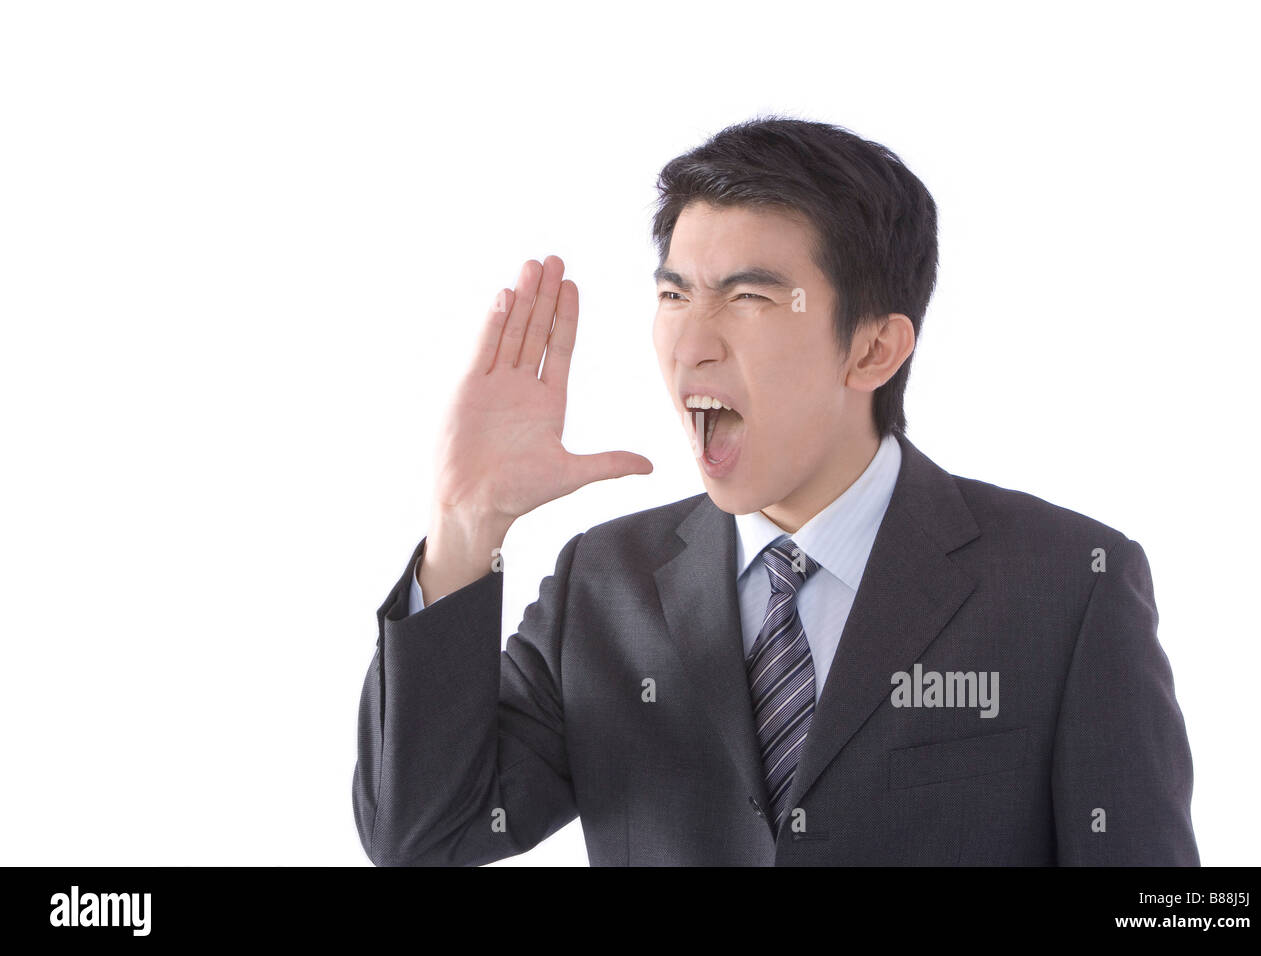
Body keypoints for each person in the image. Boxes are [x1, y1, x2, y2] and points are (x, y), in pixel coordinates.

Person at [351, 116, 1199, 866]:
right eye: (674, 294)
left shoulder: (1067, 584)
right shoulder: (602, 584)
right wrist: (464, 528)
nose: (693, 345)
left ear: (873, 350)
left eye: (749, 297)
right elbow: (421, 836)